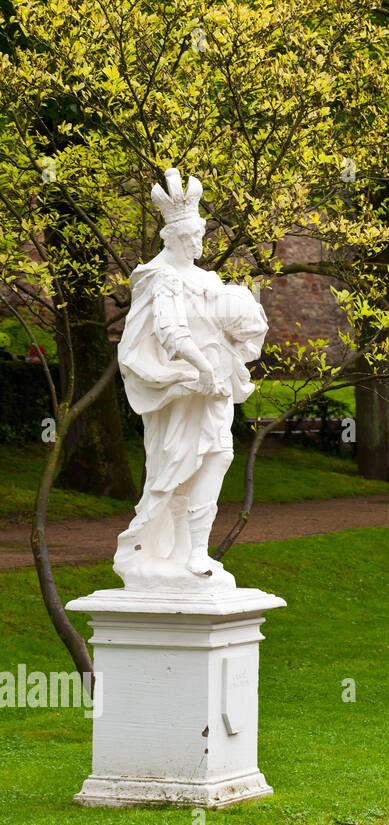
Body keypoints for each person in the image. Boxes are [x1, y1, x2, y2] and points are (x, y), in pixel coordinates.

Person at [113, 169, 267, 590]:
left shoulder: (207, 279)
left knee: (218, 457)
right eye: (193, 237)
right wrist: (201, 370)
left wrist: (244, 332)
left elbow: (233, 326)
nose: (200, 243)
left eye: (201, 235)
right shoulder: (160, 277)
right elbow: (169, 332)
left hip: (214, 387)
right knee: (178, 467)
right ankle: (163, 550)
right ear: (175, 237)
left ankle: (197, 551)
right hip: (179, 389)